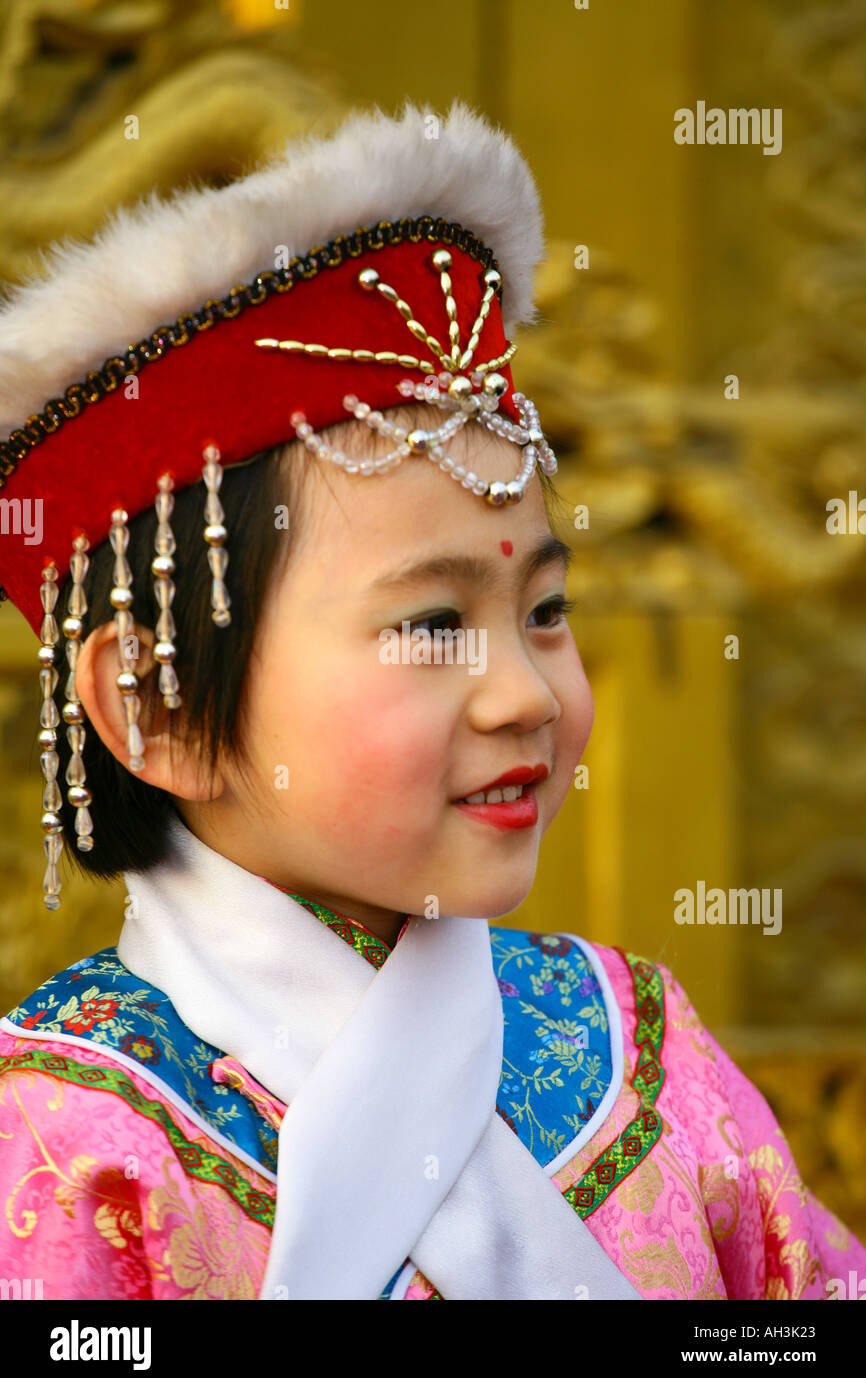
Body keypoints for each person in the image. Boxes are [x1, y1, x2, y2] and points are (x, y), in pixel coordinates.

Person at [0, 100, 862, 1302]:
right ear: (154, 706)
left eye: (544, 611)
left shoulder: (642, 1051)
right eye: (429, 625)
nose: (524, 694)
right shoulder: (72, 1142)